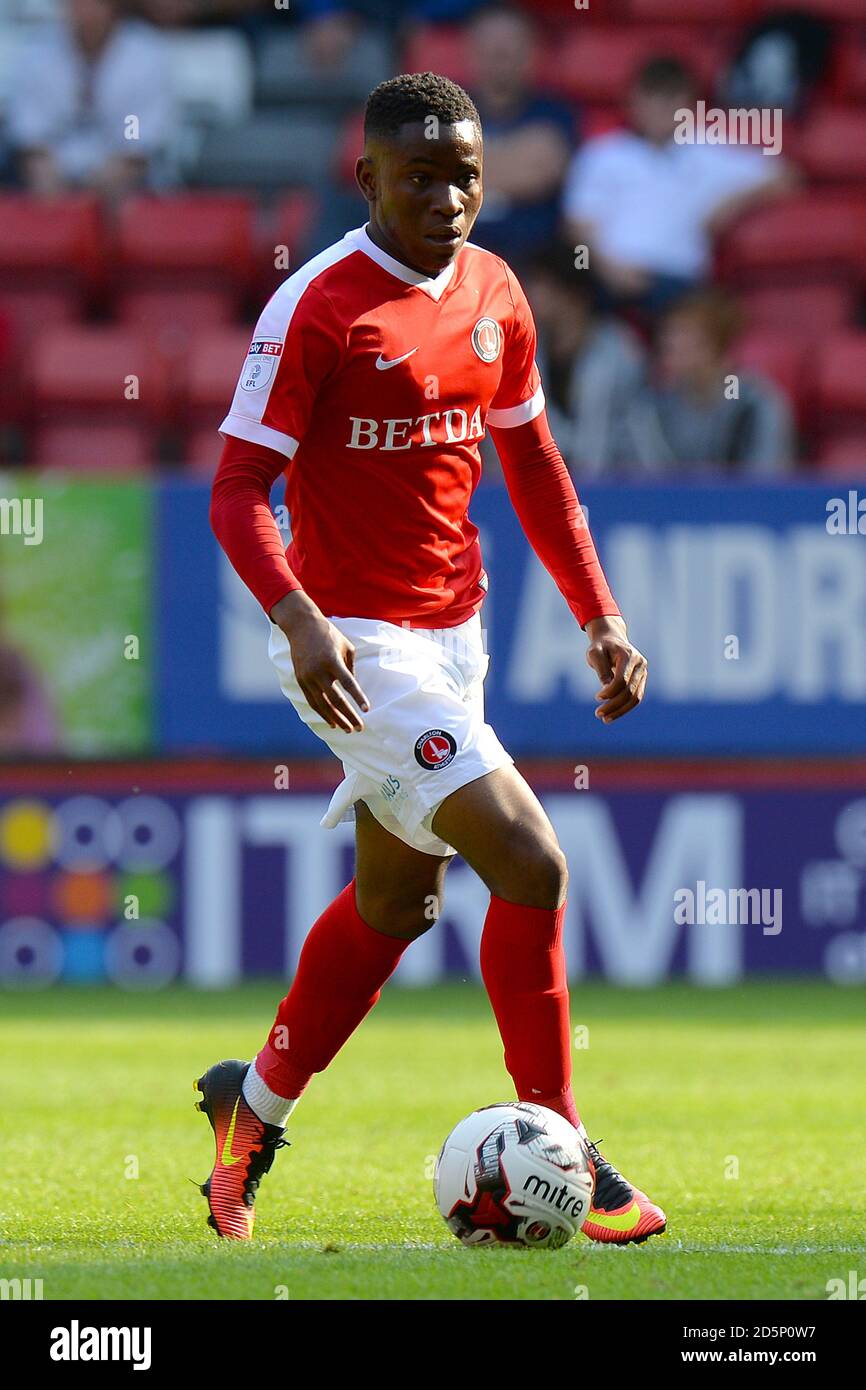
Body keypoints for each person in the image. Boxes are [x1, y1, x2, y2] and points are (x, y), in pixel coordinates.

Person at [201, 72, 663, 1247]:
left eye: (464, 171)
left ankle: (246, 1113)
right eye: (421, 175)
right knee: (530, 860)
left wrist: (596, 611)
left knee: (395, 903)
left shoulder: (498, 290)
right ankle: (566, 1144)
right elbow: (236, 490)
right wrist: (298, 616)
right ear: (366, 179)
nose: (449, 194)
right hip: (355, 649)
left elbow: (534, 464)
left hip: (456, 637)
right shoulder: (315, 308)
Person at [562, 56, 796, 313]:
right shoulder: (603, 154)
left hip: (681, 284)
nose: (660, 109)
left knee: (710, 312)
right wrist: (607, 268)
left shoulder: (709, 152)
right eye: (651, 98)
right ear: (633, 101)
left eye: (670, 99)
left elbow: (786, 176)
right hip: (606, 277)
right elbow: (578, 228)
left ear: (689, 105)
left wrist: (733, 203)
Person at [609, 290, 796, 475]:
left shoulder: (756, 406)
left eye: (683, 333)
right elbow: (641, 484)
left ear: (716, 342)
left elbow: (766, 484)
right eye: (667, 332)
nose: (669, 342)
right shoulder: (650, 409)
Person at [6, 0, 174, 198]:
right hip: (54, 173)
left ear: (112, 7)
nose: (83, 10)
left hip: (122, 173)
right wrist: (42, 164)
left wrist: (125, 159)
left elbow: (137, 125)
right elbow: (31, 129)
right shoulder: (38, 53)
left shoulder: (144, 56)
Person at [465, 4, 577, 267]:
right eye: (490, 43)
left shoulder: (556, 112)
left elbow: (542, 171)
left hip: (536, 258)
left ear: (530, 51)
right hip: (457, 254)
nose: (500, 52)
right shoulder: (445, 109)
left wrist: (468, 165)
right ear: (472, 51)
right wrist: (517, 157)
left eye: (510, 43)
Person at [523, 245, 647, 476]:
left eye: (541, 285)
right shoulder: (525, 349)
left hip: (614, 488)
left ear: (571, 294)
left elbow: (638, 435)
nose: (531, 294)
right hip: (539, 490)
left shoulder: (620, 352)